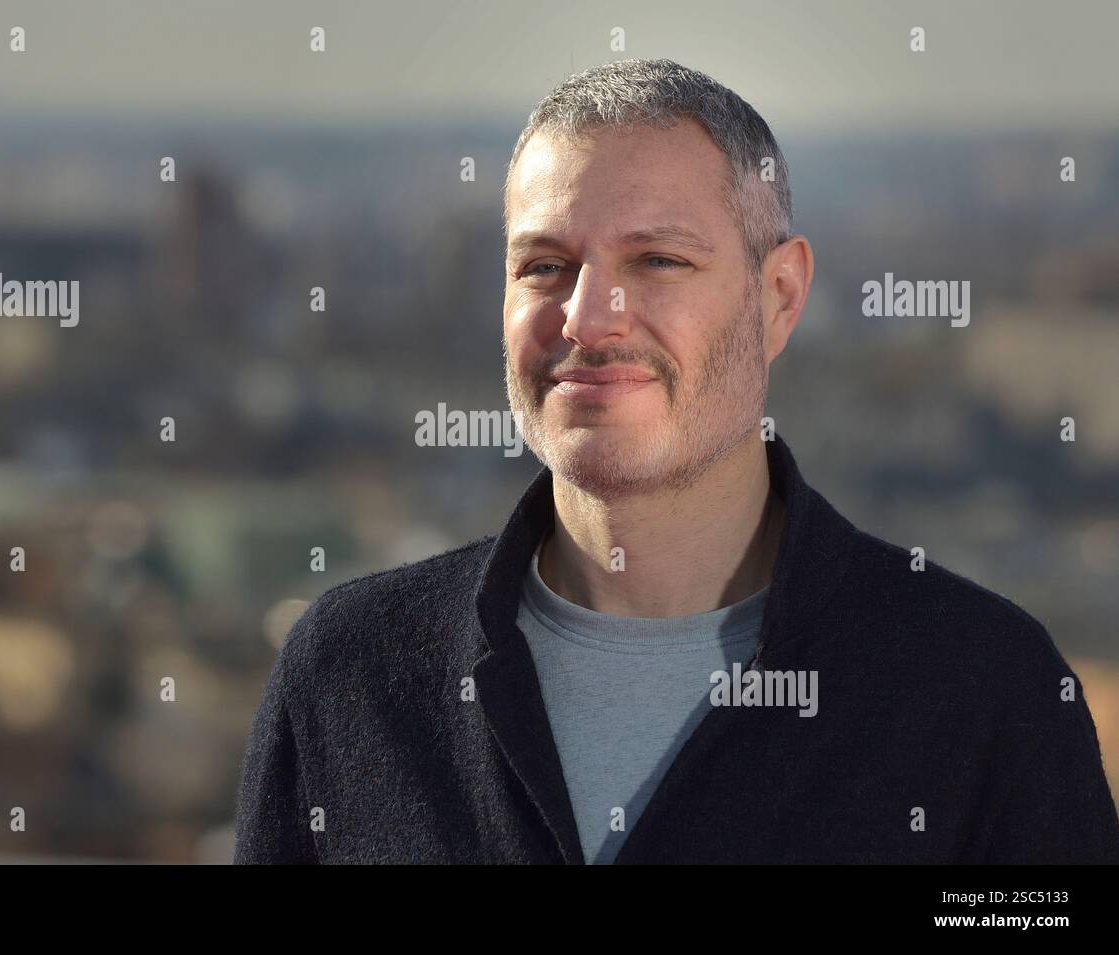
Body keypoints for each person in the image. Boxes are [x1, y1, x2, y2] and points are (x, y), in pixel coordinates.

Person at [234, 58, 1119, 864]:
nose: (588, 317)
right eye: (545, 265)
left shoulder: (983, 691)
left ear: (779, 297)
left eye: (657, 260)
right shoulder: (351, 677)